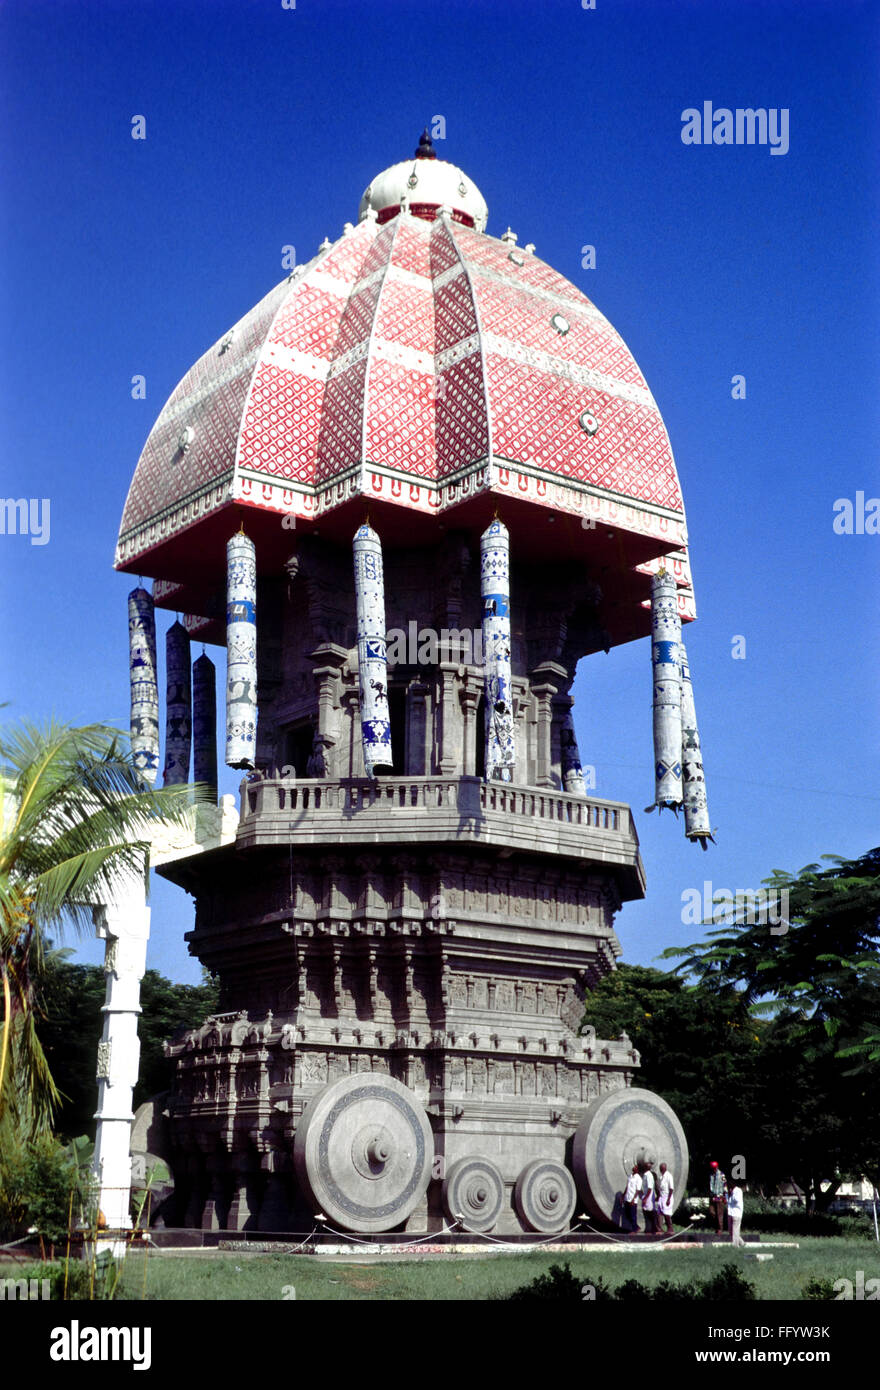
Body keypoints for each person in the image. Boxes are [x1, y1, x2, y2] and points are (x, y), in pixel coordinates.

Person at [709, 1160, 727, 1234]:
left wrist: (725, 1196)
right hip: (712, 1196)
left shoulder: (722, 1175)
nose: (714, 1169)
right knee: (712, 1212)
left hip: (719, 1196)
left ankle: (720, 1229)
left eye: (715, 1168)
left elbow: (725, 1184)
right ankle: (716, 1227)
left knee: (719, 1214)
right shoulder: (711, 1175)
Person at [624, 1164, 642, 1233]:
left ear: (637, 1169)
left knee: (633, 1215)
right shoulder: (630, 1176)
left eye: (635, 1167)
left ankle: (634, 1229)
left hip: (633, 1200)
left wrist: (633, 1199)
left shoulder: (638, 1179)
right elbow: (627, 1187)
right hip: (627, 1198)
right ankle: (636, 1227)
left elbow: (638, 1190)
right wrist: (623, 1196)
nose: (633, 1167)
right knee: (627, 1214)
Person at [658, 1162, 675, 1234]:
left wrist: (668, 1199)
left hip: (667, 1196)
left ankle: (670, 1228)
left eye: (663, 1168)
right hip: (662, 1197)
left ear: (665, 1168)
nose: (662, 1169)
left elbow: (671, 1188)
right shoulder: (661, 1177)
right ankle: (660, 1228)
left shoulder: (669, 1176)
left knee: (667, 1213)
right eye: (661, 1168)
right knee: (660, 1213)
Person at [727, 1179, 745, 1246]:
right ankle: (742, 1243)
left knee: (735, 1231)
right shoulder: (732, 1192)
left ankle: (735, 1246)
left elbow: (737, 1200)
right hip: (731, 1213)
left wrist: (732, 1194)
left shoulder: (738, 1191)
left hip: (737, 1213)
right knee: (731, 1231)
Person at [641, 1161, 657, 1234]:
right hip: (646, 1196)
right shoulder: (645, 1175)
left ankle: (652, 1229)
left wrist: (645, 1198)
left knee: (649, 1213)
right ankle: (648, 1229)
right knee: (646, 1213)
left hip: (649, 1197)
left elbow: (650, 1188)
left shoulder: (649, 1175)